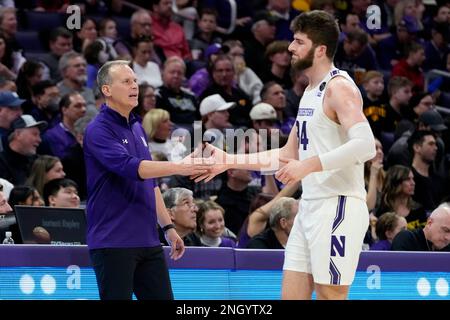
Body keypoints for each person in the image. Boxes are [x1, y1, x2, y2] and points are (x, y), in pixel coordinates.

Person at [195, 10, 376, 300]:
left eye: (298, 42)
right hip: (309, 207)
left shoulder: (338, 87)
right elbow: (286, 154)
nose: (290, 47)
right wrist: (227, 161)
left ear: (320, 50)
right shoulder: (309, 91)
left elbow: (365, 144)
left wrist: (308, 166)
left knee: (331, 294)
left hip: (338, 206)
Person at [83, 60, 212, 300]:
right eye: (126, 81)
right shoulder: (98, 129)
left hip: (148, 241)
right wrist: (180, 166)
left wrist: (168, 227)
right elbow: (131, 168)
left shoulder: (136, 127)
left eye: (135, 81)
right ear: (107, 90)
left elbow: (150, 184)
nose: (135, 86)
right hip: (113, 241)